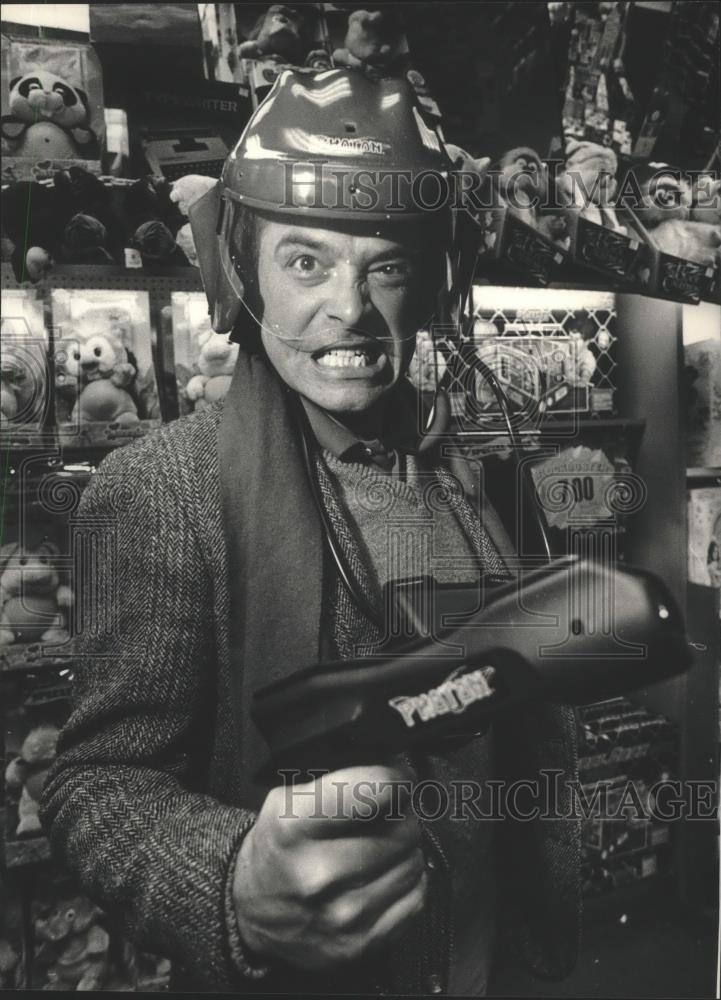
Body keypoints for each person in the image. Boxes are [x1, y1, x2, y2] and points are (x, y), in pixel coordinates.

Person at [41, 68, 581, 996]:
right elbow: (94, 784)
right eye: (304, 261)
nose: (349, 309)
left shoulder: (450, 460)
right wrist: (232, 882)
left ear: (438, 281)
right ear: (236, 270)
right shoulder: (163, 488)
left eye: (387, 266)